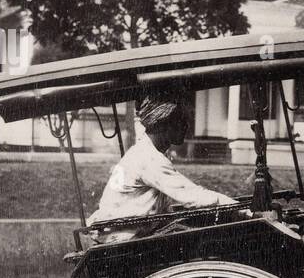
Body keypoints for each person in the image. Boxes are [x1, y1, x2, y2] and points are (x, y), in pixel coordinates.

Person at [87, 95, 237, 241]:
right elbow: (192, 196)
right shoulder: (149, 158)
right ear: (162, 123)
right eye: (180, 121)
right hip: (124, 237)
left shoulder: (145, 152)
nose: (186, 126)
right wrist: (240, 209)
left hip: (128, 230)